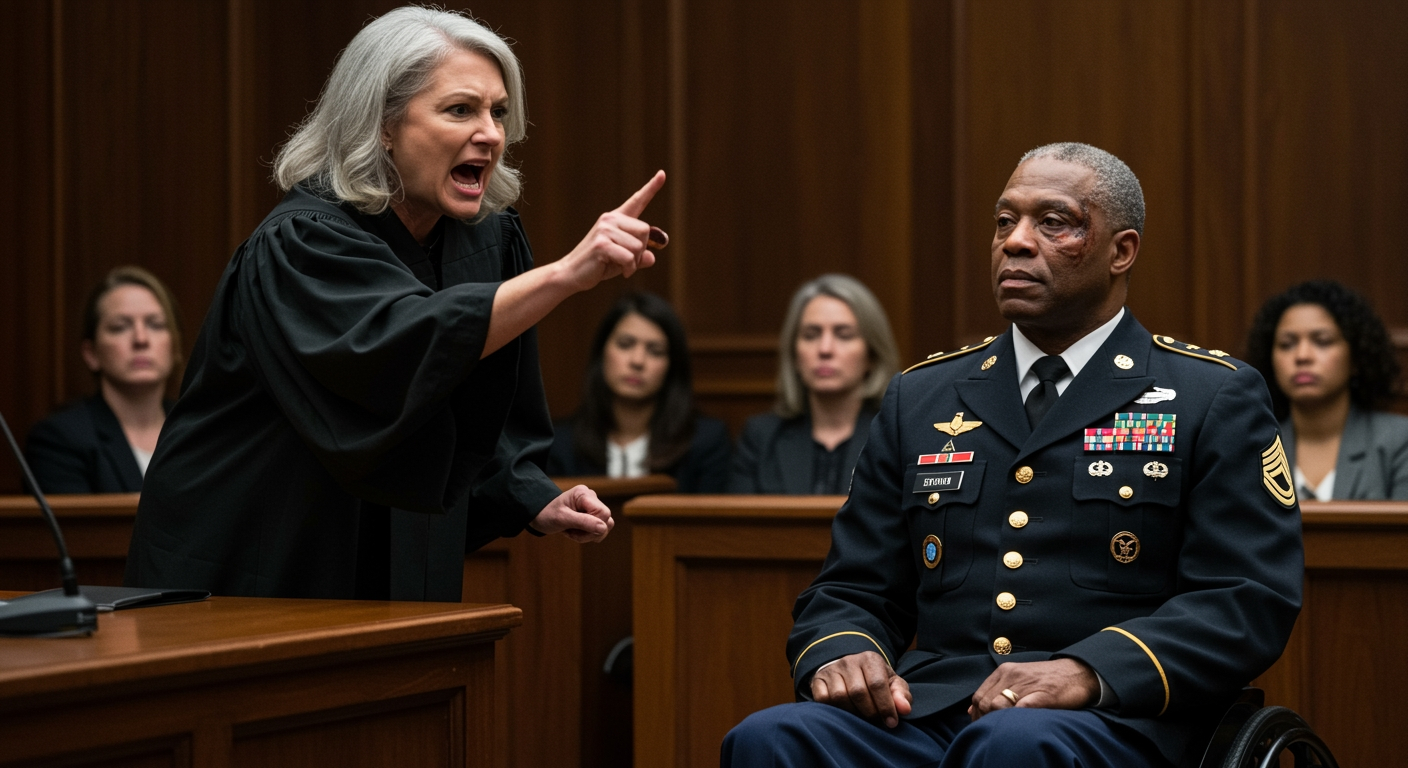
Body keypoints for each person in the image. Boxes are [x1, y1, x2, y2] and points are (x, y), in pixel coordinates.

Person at [722, 143, 1303, 768]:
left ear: (1121, 251)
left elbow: (1245, 597)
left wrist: (1086, 669)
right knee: (769, 739)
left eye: (1053, 222)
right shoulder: (922, 396)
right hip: (934, 713)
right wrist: (843, 647)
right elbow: (854, 585)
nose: (1015, 242)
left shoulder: (1210, 395)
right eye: (1004, 221)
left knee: (1012, 747)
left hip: (1114, 721)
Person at [124, 6, 669, 601]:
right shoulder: (301, 240)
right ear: (381, 123)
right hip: (251, 558)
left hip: (392, 566)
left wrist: (531, 495)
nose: (490, 133)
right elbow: (401, 349)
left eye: (498, 112)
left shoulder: (487, 239)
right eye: (460, 109)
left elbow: (479, 412)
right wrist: (565, 276)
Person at [728, 274, 899, 494]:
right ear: (794, 355)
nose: (825, 349)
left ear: (872, 355)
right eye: (811, 335)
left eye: (843, 335)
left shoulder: (895, 438)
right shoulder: (761, 437)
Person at [547, 292, 730, 492]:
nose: (637, 361)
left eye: (655, 351)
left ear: (672, 365)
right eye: (625, 344)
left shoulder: (705, 441)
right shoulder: (559, 444)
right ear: (602, 353)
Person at [1245, 280, 1408, 500]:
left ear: (1356, 358)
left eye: (1322, 341)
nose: (1302, 356)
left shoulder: (1399, 441)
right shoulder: (1252, 444)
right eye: (1287, 344)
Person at [25, 266, 182, 493]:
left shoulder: (201, 431)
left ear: (174, 346)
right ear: (91, 354)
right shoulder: (58, 440)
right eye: (120, 327)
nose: (141, 339)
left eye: (155, 324)